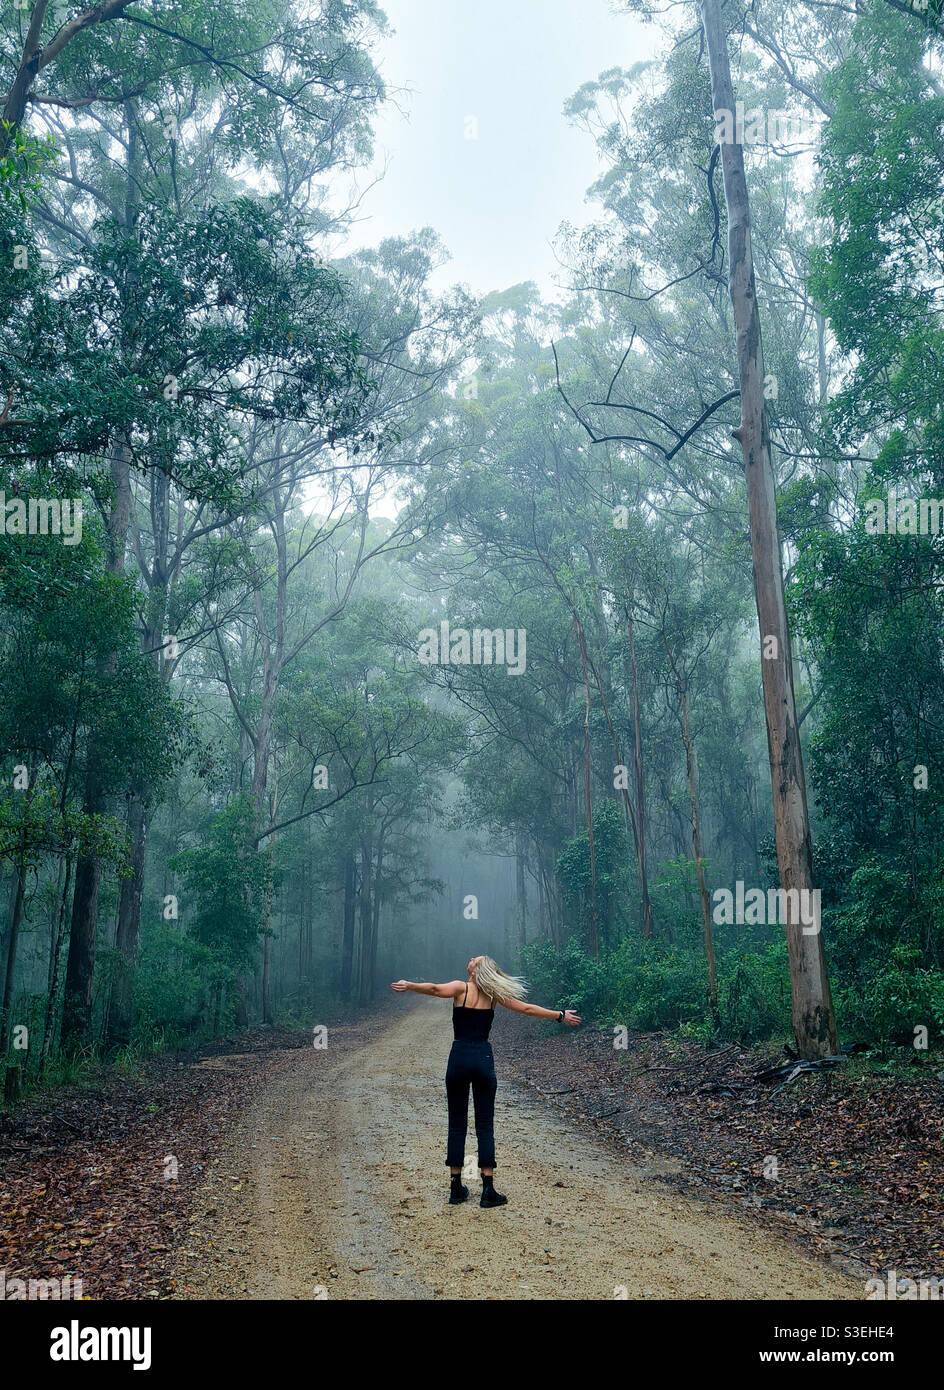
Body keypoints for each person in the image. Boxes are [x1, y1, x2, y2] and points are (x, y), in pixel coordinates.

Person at [391, 954, 581, 1207]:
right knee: (485, 1126)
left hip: (458, 1058)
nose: (470, 958)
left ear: (476, 969)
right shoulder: (493, 995)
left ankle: (456, 1188)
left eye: (474, 959)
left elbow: (436, 989)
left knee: (457, 1124)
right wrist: (559, 1015)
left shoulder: (461, 988)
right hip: (482, 1058)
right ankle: (488, 1191)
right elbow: (525, 1008)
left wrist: (410, 985)